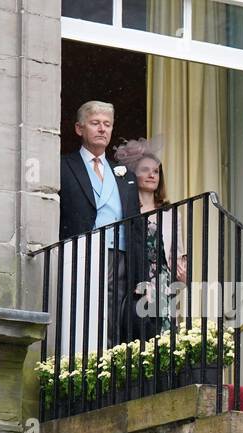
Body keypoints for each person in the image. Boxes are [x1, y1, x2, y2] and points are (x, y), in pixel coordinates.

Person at [59, 100, 146, 345]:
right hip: (81, 252)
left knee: (115, 312)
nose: (102, 129)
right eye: (95, 123)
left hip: (120, 254)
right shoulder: (64, 166)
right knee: (84, 310)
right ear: (79, 128)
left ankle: (109, 364)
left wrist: (140, 272)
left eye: (107, 124)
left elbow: (135, 225)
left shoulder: (124, 174)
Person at [115, 139, 188, 331]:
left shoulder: (171, 213)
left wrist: (183, 275)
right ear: (134, 174)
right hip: (135, 278)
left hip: (163, 281)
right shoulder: (126, 210)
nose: (151, 175)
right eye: (145, 170)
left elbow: (178, 253)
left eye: (156, 171)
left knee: (164, 334)